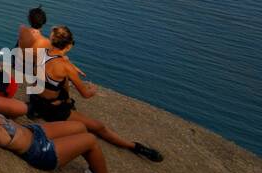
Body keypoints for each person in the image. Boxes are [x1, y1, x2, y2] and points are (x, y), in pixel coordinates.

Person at [30, 25, 164, 162]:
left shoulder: (41, 52)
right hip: (52, 110)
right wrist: (92, 89)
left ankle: (64, 103)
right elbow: (85, 94)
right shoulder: (66, 67)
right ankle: (134, 146)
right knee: (98, 127)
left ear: (52, 41)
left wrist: (69, 67)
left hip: (36, 100)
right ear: (69, 46)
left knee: (59, 79)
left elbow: (54, 62)